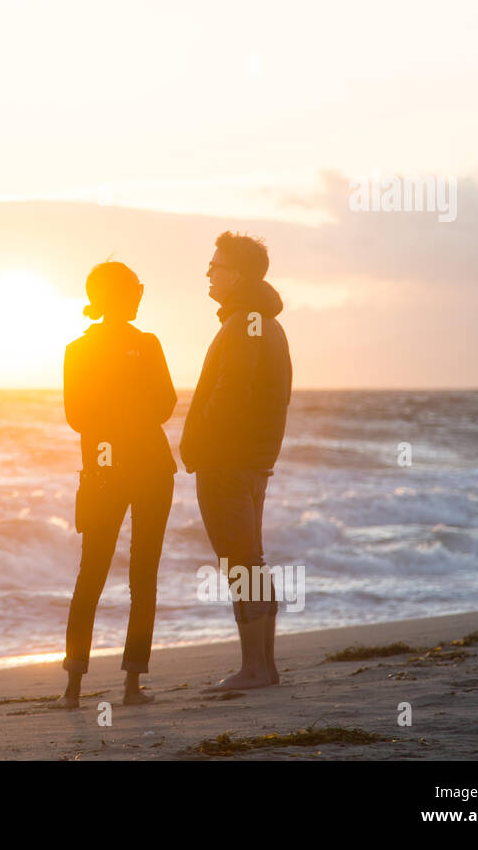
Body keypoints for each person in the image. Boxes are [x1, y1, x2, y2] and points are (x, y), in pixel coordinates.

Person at [50, 261, 176, 709]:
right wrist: (132, 411)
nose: (141, 296)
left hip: (110, 470)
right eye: (136, 290)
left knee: (93, 575)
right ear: (124, 296)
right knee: (140, 577)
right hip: (145, 466)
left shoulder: (81, 350)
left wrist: (116, 412)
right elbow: (163, 403)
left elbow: (80, 415)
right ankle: (130, 684)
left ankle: (75, 688)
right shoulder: (141, 346)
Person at [180, 231, 292, 690]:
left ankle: (253, 669)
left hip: (229, 461)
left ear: (239, 274)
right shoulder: (261, 322)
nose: (209, 272)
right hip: (249, 460)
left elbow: (233, 393)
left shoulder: (245, 322)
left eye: (216, 265)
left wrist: (202, 444)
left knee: (240, 563)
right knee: (250, 559)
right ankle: (264, 668)